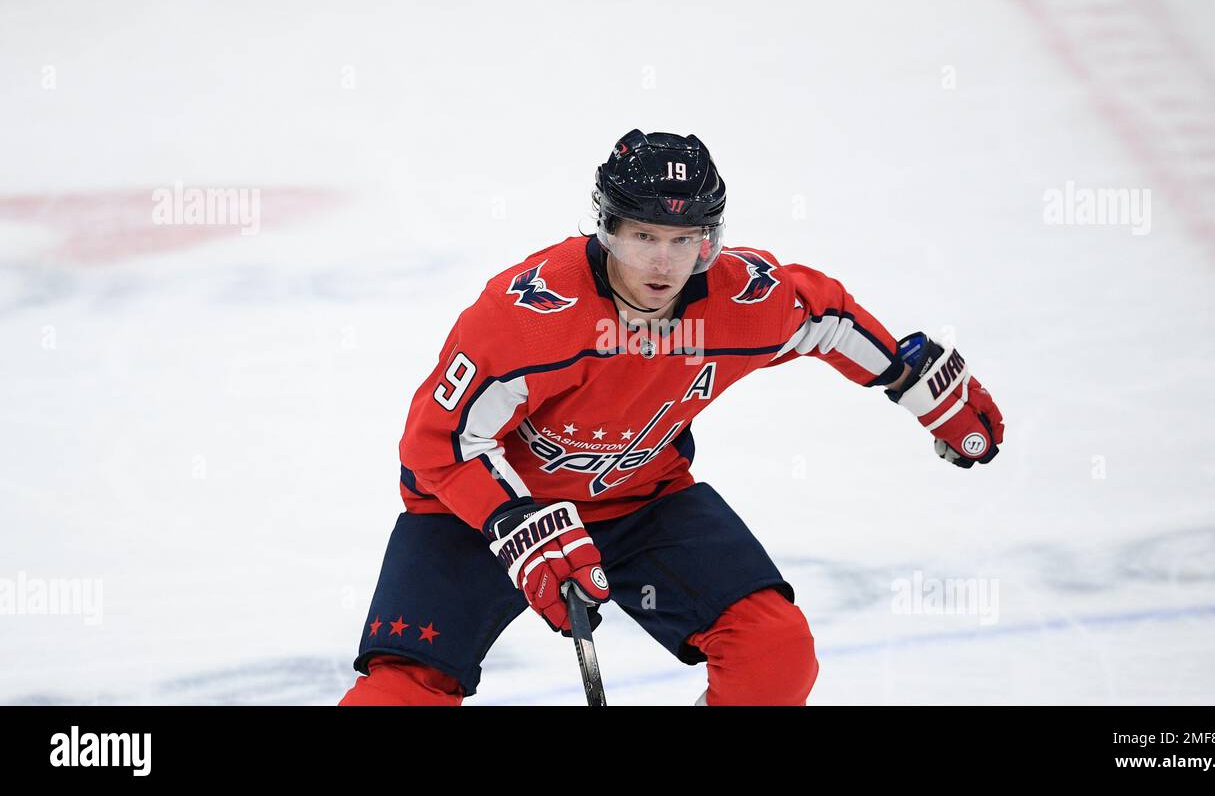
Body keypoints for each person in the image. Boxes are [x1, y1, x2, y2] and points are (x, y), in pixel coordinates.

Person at [338, 129, 1005, 706]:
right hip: (477, 515)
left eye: (684, 239)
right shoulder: (527, 316)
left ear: (709, 242)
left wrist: (914, 382)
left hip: (640, 501)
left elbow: (824, 317)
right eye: (644, 235)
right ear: (608, 229)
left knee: (775, 651)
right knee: (403, 688)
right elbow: (437, 441)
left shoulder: (738, 301)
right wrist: (515, 522)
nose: (663, 261)